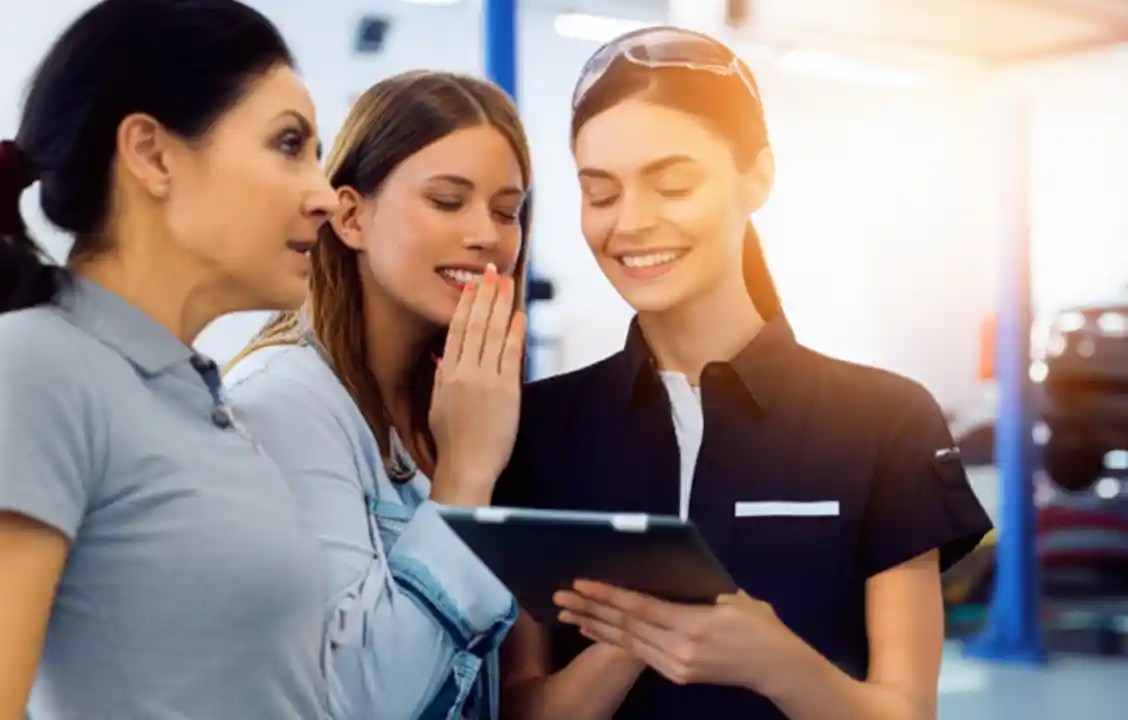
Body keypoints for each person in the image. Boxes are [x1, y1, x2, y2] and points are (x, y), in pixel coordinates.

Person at [496, 27, 994, 720]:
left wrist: (775, 663)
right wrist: (641, 634)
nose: (631, 223)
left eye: (672, 183)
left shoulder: (885, 423)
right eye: (600, 193)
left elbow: (906, 712)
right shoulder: (539, 430)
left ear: (756, 177)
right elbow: (522, 710)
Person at [0, 1, 339, 718]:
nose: (324, 195)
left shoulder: (199, 407)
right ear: (152, 154)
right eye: (288, 144)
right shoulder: (36, 369)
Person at [224, 71, 530, 720]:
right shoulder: (283, 403)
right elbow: (363, 701)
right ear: (351, 215)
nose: (487, 236)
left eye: (507, 211)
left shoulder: (453, 402)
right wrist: (467, 474)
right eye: (448, 201)